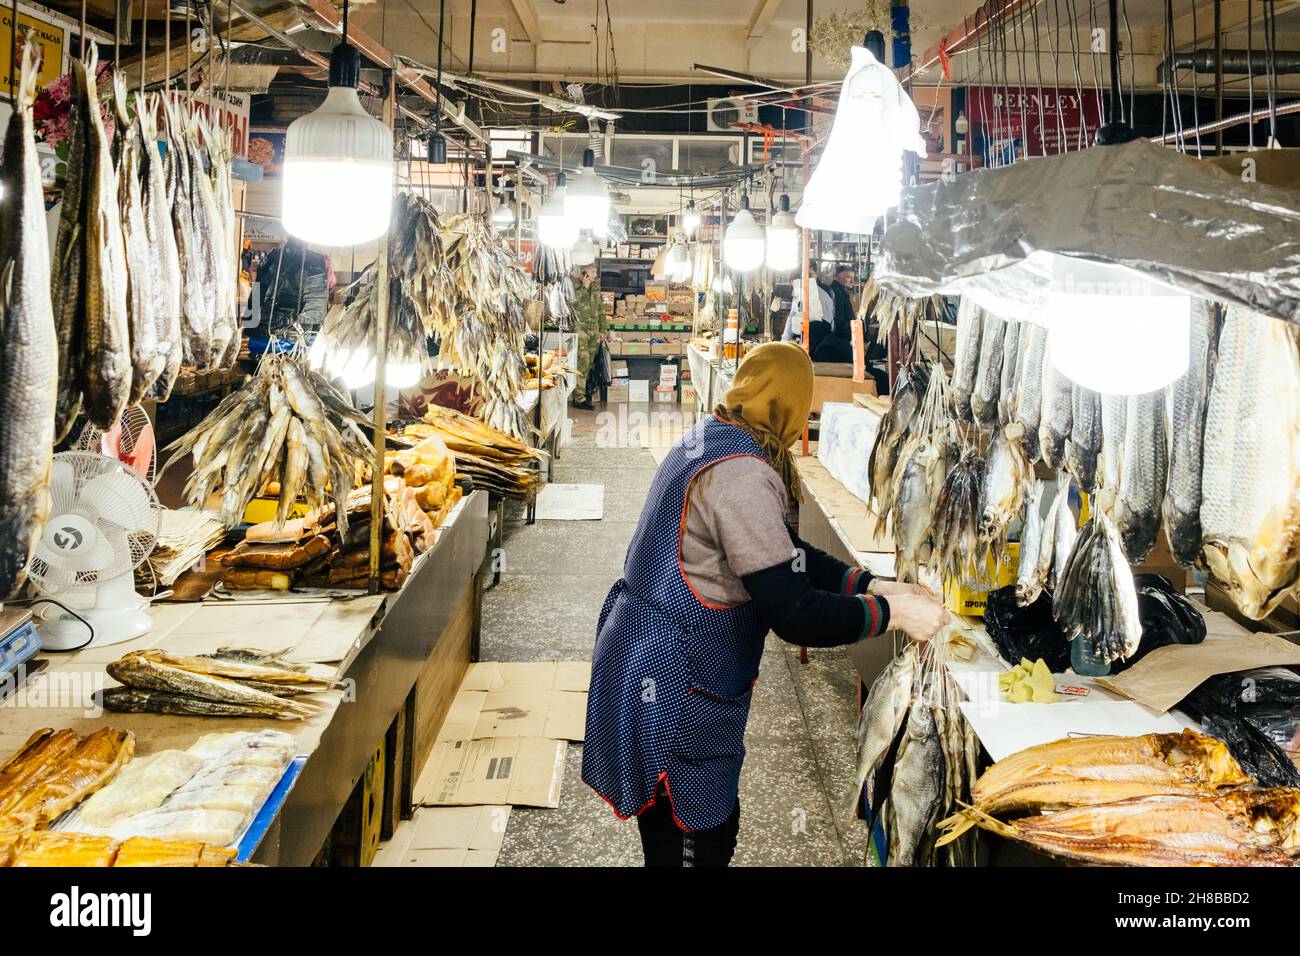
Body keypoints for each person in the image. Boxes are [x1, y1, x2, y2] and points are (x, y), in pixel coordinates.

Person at [582, 342, 950, 867]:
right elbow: (794, 611)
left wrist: (870, 586)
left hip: (646, 659)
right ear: (790, 406)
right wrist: (894, 615)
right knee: (693, 847)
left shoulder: (713, 437)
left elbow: (781, 553)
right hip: (675, 685)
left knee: (689, 837)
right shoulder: (743, 473)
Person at [253, 236, 330, 349]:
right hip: (288, 339)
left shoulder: (271, 258)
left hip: (268, 337)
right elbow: (315, 306)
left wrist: (251, 328)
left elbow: (256, 295)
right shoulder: (314, 262)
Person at [571, 264, 608, 410]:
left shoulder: (596, 288)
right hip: (580, 329)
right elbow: (573, 304)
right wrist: (584, 288)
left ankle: (585, 394)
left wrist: (603, 329)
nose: (595, 275)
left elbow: (601, 309)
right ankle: (579, 399)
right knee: (582, 361)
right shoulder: (575, 287)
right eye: (592, 272)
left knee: (589, 363)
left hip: (594, 330)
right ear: (583, 273)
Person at [780, 260, 833, 357]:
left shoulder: (823, 297)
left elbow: (825, 327)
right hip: (802, 344)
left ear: (816, 275)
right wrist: (783, 344)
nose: (806, 279)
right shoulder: (800, 293)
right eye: (803, 276)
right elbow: (791, 319)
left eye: (810, 275)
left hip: (817, 349)